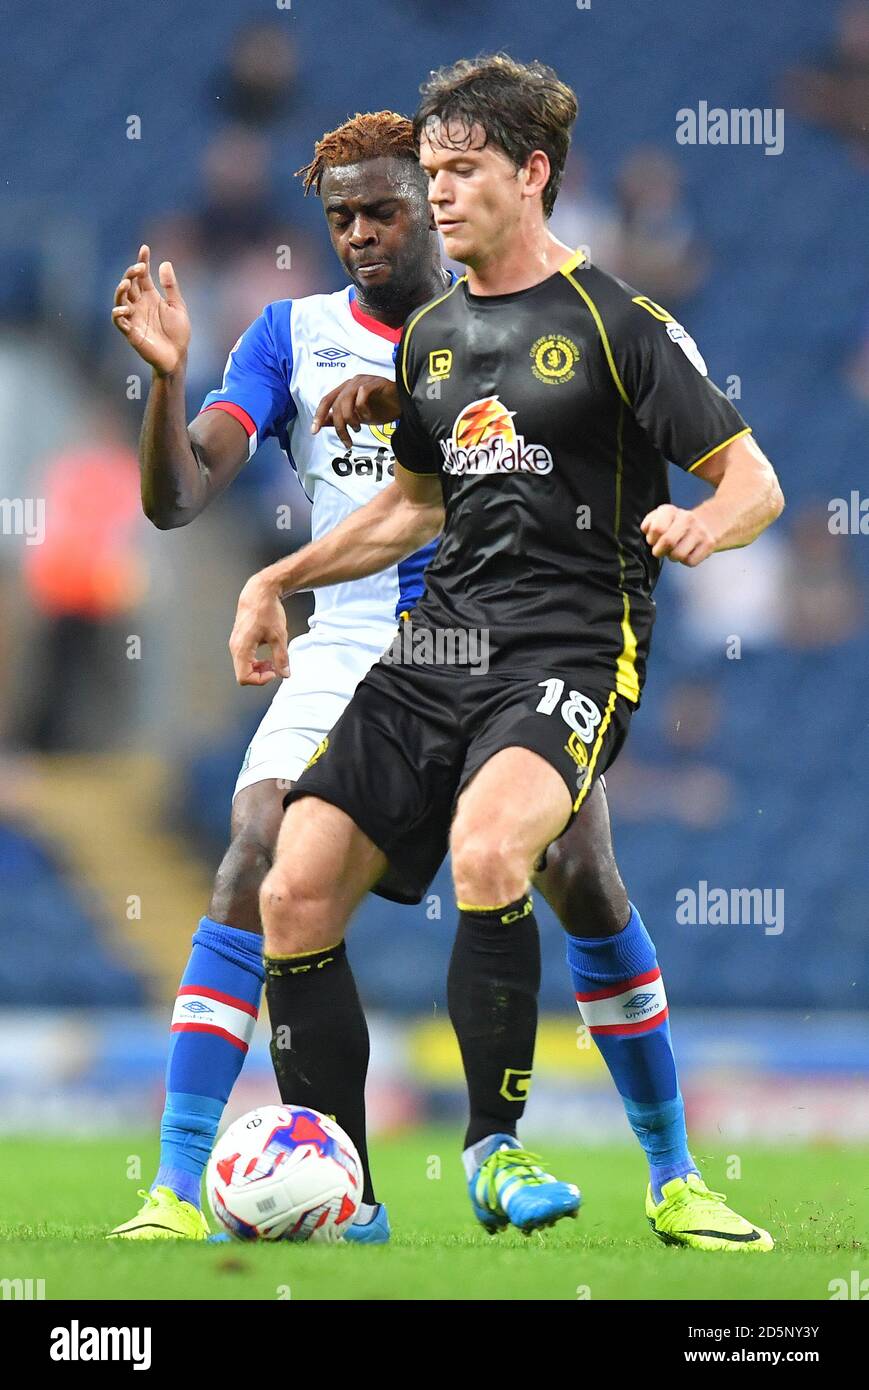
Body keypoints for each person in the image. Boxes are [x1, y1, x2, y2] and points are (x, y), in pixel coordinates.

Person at [232, 55, 784, 1251]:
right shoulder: (432, 335)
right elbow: (416, 505)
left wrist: (698, 521)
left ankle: (492, 1147)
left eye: (459, 172)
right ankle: (352, 1206)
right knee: (290, 888)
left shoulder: (617, 322)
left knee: (492, 853)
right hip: (437, 647)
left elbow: (754, 481)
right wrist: (276, 577)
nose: (434, 197)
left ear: (531, 175)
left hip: (570, 648)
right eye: (427, 173)